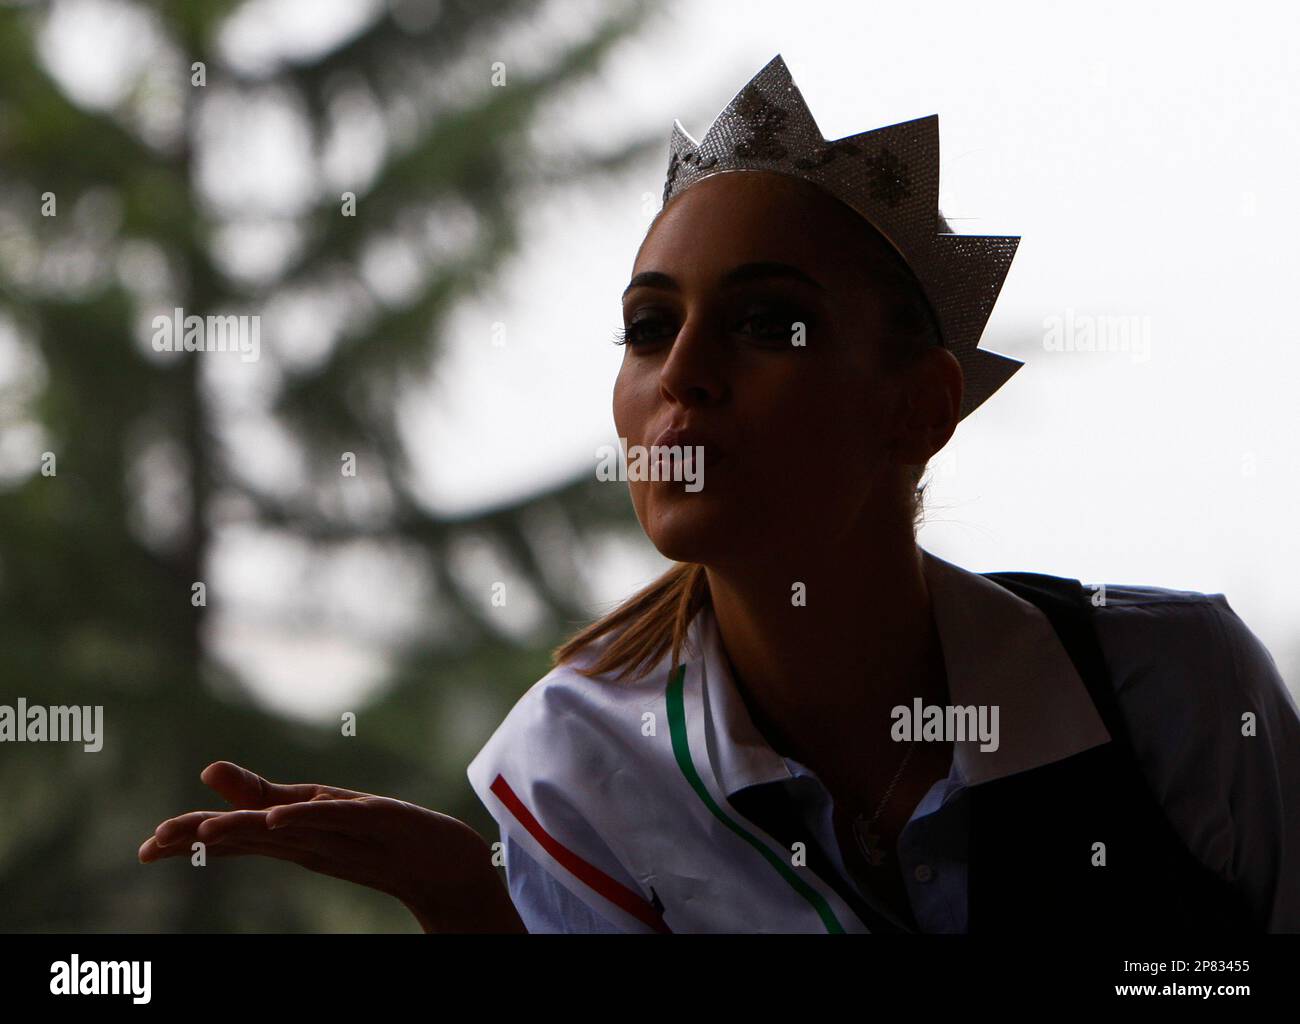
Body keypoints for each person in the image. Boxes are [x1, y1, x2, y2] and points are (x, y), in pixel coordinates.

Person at [139, 55, 1300, 934]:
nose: (682, 372)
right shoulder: (576, 769)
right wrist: (483, 914)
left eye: (767, 323)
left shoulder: (1173, 692)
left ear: (918, 407)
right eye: (649, 327)